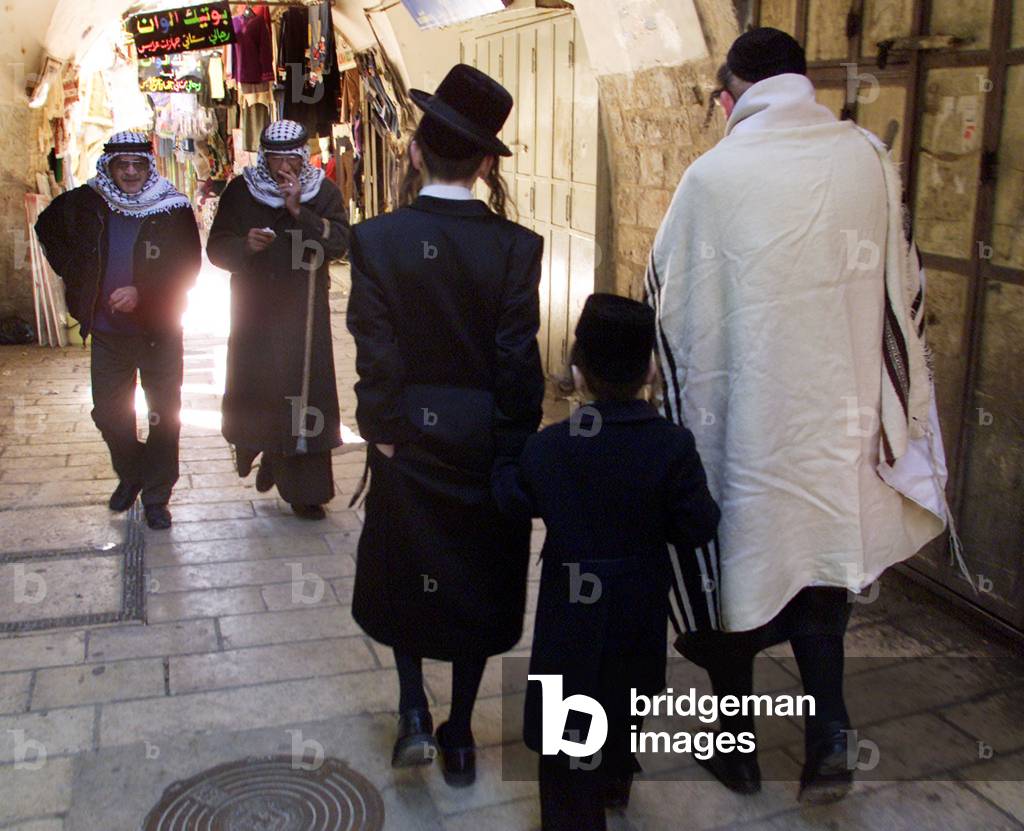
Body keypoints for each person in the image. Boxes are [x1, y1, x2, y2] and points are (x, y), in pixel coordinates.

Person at [646, 27, 949, 803]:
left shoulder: (712, 178)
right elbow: (904, 292)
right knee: (822, 576)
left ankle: (739, 748)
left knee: (737, 572)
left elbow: (667, 306)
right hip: (835, 424)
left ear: (730, 94)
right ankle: (830, 739)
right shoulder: (867, 161)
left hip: (742, 425)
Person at [346, 64, 544, 787]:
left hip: (410, 442)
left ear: (417, 151)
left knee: (406, 572)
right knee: (477, 580)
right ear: (488, 163)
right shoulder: (518, 248)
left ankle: (411, 712)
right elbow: (517, 362)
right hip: (483, 443)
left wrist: (385, 428)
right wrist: (513, 449)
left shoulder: (377, 240)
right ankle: (460, 732)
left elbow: (378, 353)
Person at [496, 294, 720, 830]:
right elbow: (699, 526)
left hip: (572, 607)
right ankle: (615, 778)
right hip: (639, 605)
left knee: (566, 717)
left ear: (579, 369)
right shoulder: (673, 446)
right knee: (626, 696)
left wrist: (508, 450)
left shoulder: (552, 448)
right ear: (648, 369)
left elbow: (512, 500)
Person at [35, 131, 201, 529]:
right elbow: (48, 228)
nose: (129, 172)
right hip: (109, 333)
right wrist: (79, 278)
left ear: (149, 166)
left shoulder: (171, 207)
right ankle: (134, 473)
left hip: (158, 330)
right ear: (108, 166)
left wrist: (143, 291)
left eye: (137, 165)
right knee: (110, 414)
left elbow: (187, 267)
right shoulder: (91, 201)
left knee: (164, 416)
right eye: (121, 165)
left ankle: (158, 496)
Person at [207, 120, 349, 520]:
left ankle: (306, 492)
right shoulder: (241, 191)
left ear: (302, 156)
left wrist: (298, 212)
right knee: (262, 388)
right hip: (255, 308)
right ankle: (271, 452)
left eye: (290, 158)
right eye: (275, 158)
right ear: (264, 156)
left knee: (304, 395)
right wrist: (244, 245)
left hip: (303, 312)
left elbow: (339, 242)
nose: (282, 166)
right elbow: (216, 248)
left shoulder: (323, 192)